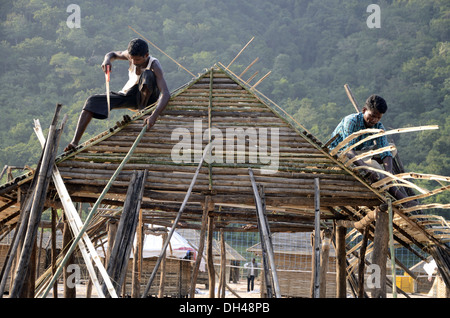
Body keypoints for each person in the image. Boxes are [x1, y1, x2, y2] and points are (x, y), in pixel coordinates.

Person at [64, 38, 170, 152]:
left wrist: (154, 116)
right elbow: (113, 54)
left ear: (146, 55)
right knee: (91, 101)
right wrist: (107, 60)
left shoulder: (154, 65)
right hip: (129, 95)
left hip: (148, 98)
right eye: (132, 59)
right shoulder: (130, 56)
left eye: (138, 59)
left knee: (148, 74)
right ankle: (74, 142)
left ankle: (142, 110)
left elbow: (166, 94)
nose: (134, 62)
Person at [328, 95, 414, 205]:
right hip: (341, 153)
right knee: (375, 167)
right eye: (372, 116)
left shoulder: (378, 126)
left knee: (391, 148)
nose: (374, 120)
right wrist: (365, 168)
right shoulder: (351, 121)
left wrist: (388, 174)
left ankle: (386, 180)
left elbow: (385, 151)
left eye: (378, 117)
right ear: (364, 110)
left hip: (359, 151)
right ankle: (396, 194)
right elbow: (348, 149)